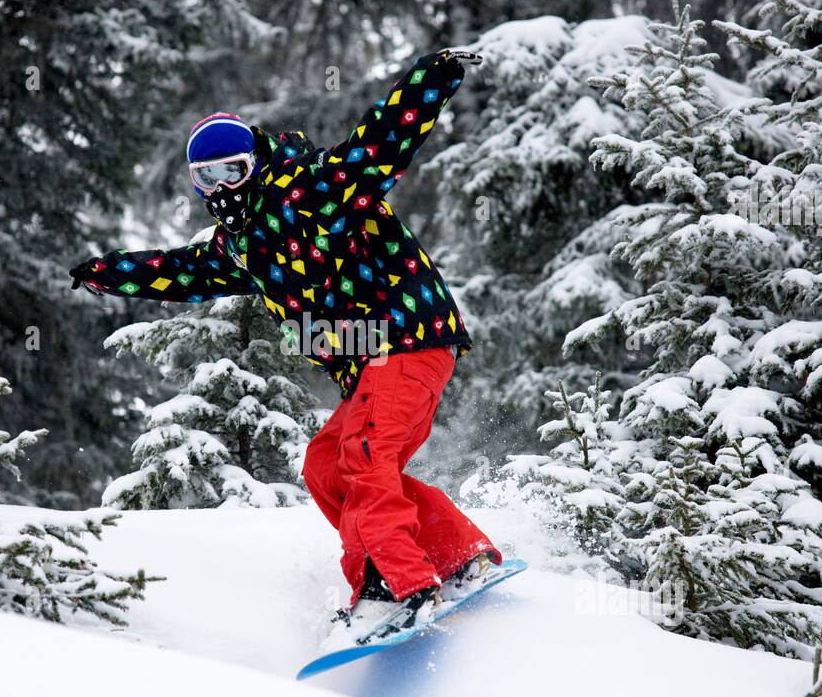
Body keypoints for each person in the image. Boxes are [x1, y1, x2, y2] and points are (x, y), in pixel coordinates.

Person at [70, 49, 502, 636]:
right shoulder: (241, 243)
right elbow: (180, 271)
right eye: (207, 177)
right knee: (326, 465)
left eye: (233, 171)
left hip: (405, 337)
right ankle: (455, 556)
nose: (222, 187)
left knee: (365, 456)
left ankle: (392, 585)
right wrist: (105, 272)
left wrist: (436, 74)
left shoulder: (312, 190)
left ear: (255, 163)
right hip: (372, 362)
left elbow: (381, 143)